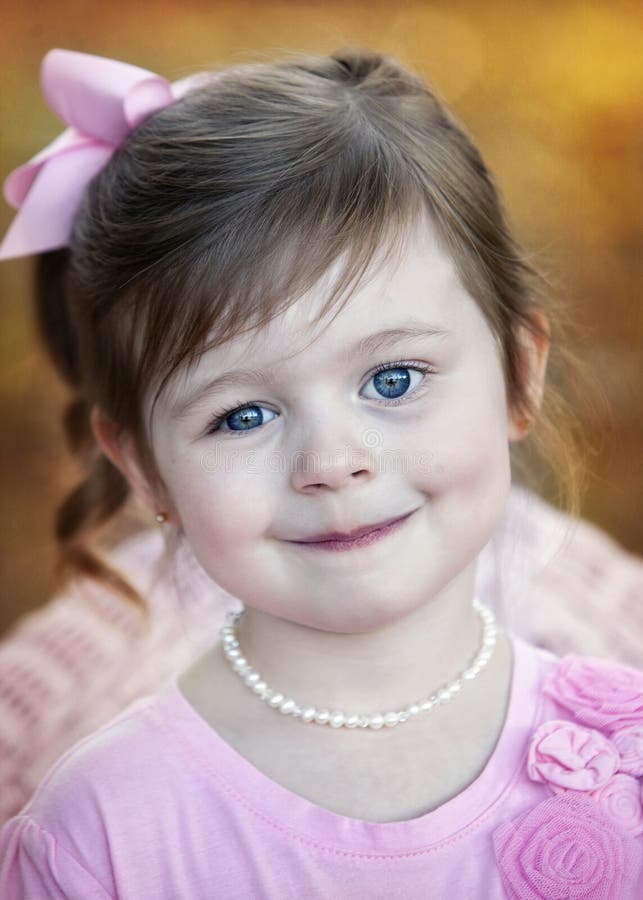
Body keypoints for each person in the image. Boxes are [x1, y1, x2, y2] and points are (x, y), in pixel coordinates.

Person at [0, 46, 641, 898]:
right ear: (143, 467)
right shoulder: (100, 829)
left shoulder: (622, 751)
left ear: (518, 373)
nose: (332, 464)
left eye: (393, 379)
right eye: (242, 416)